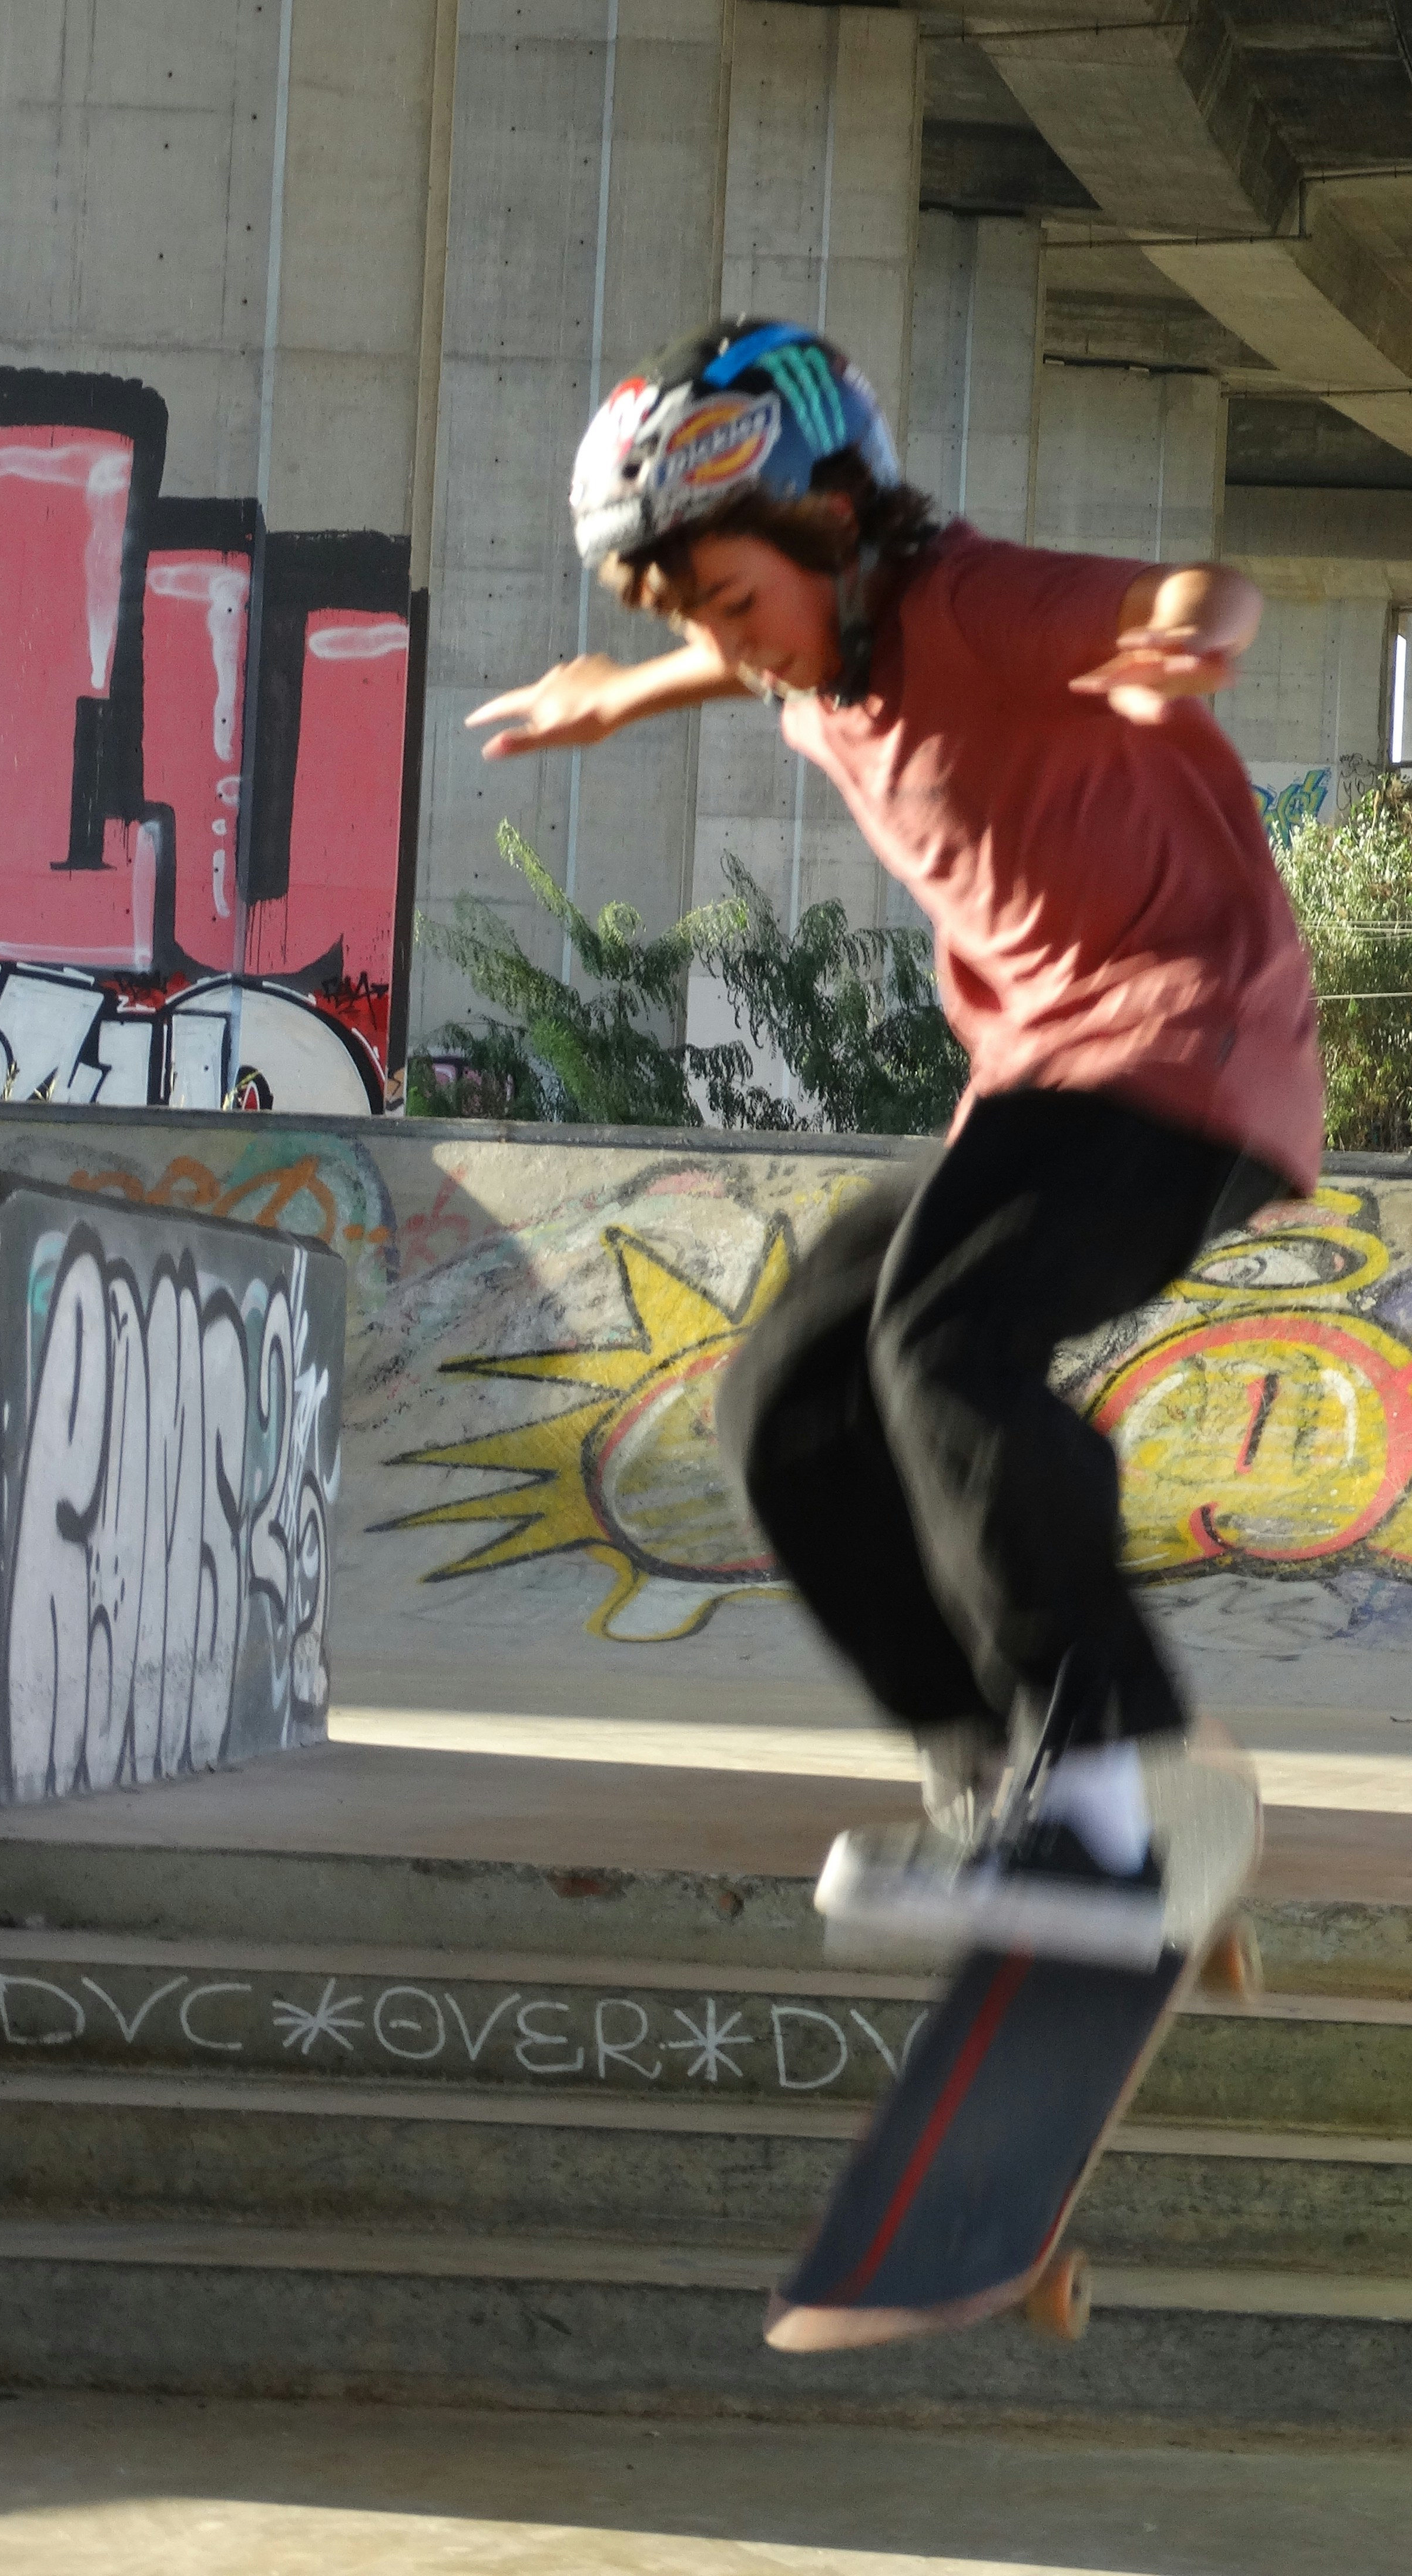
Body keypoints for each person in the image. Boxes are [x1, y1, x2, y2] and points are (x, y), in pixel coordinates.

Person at [470, 317, 1323, 1966]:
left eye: (735, 600)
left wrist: (1191, 638)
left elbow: (1174, 596)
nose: (740, 644)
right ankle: (1010, 1776)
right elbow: (749, 653)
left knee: (945, 1341)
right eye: (697, 613)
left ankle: (1101, 1782)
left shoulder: (970, 606)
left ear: (835, 530)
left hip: (1182, 1061)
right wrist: (626, 691)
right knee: (785, 1394)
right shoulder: (826, 653)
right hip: (1043, 1090)